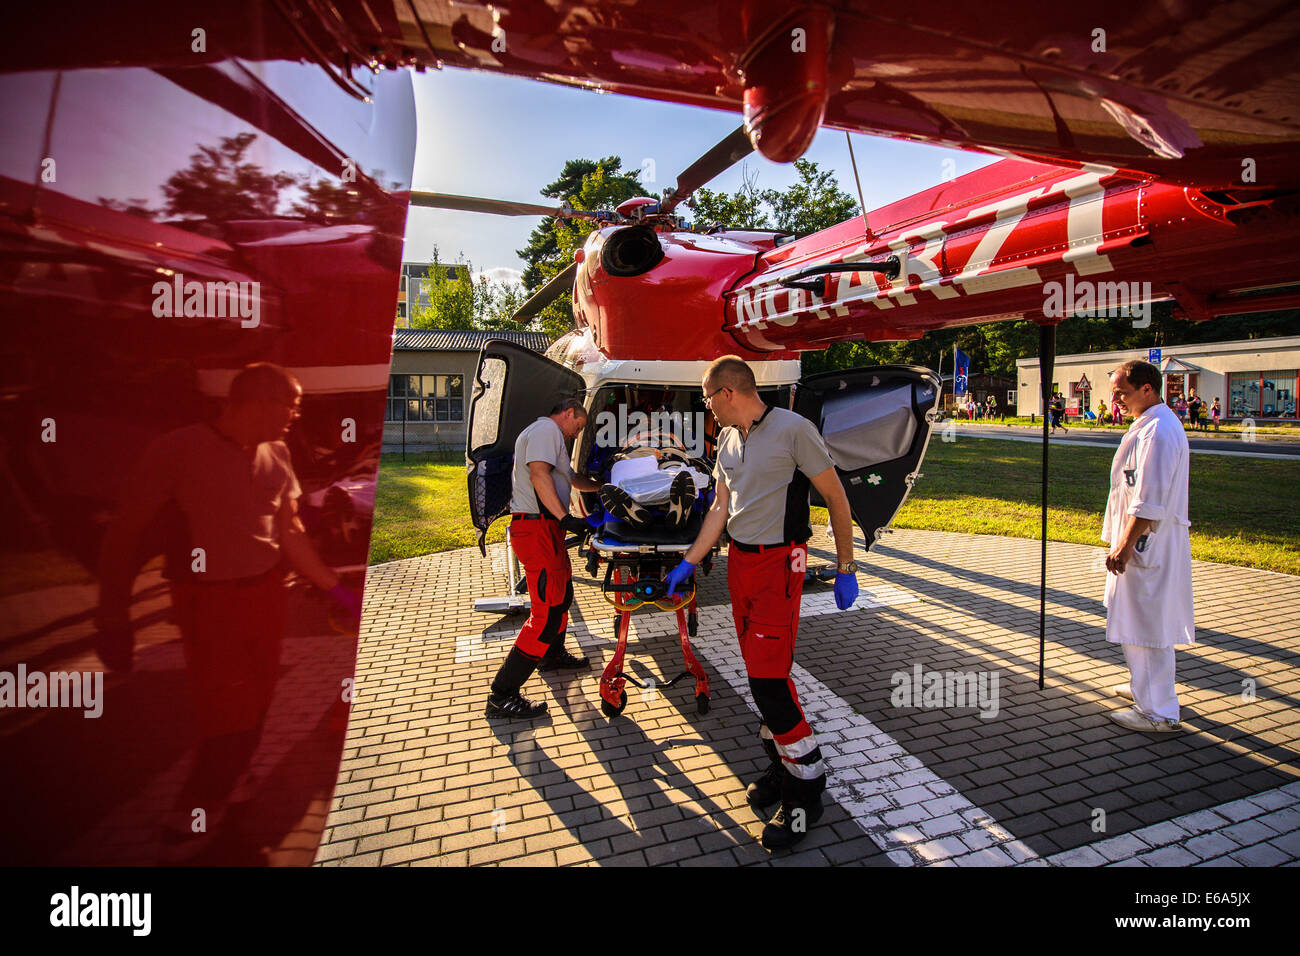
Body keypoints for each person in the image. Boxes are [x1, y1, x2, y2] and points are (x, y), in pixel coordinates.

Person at [95, 362, 361, 853]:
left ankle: (231, 777)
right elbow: (125, 532)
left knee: (258, 700)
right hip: (207, 600)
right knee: (228, 711)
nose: (294, 417)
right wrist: (112, 614)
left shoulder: (277, 454)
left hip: (265, 594)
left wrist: (337, 590)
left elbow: (290, 535)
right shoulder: (177, 450)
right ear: (258, 401)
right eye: (291, 406)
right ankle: (192, 811)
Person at [662, 356, 859, 851]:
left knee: (768, 682)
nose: (706, 408)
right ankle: (780, 761)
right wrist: (689, 561)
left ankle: (806, 787)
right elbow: (719, 510)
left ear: (729, 392)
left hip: (781, 565)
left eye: (708, 399)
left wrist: (845, 567)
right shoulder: (727, 441)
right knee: (760, 670)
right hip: (742, 565)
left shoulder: (793, 429)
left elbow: (836, 496)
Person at [485, 397, 602, 720]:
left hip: (546, 530)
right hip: (536, 529)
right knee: (547, 613)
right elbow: (539, 476)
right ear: (568, 414)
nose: (577, 434)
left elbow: (570, 478)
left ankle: (552, 655)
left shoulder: (554, 439)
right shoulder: (545, 430)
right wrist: (565, 518)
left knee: (562, 597)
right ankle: (502, 694)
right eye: (578, 427)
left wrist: (600, 486)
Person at [1102, 360, 1194, 733]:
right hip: (1144, 542)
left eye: (1122, 393)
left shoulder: (1157, 432)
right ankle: (1146, 689)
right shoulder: (1150, 425)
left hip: (1146, 544)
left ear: (1147, 389)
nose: (1117, 401)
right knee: (1136, 620)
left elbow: (1149, 499)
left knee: (1149, 626)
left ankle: (1158, 711)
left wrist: (1124, 547)